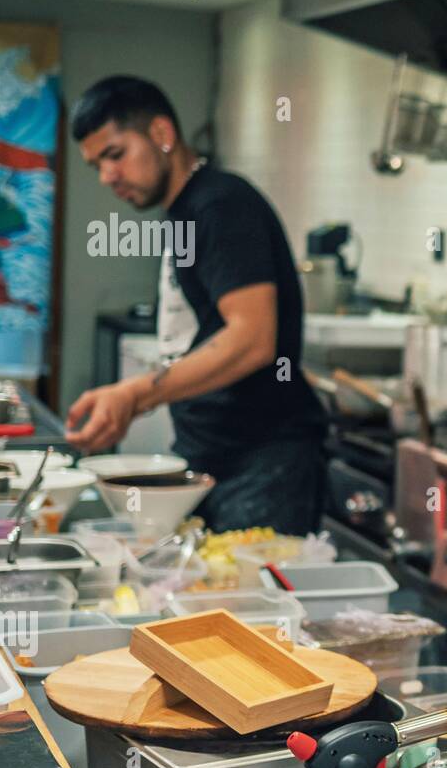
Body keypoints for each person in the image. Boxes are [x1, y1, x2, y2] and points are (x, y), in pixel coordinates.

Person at [66, 76, 328, 534]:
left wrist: (135, 393)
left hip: (262, 463)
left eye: (115, 154)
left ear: (162, 135)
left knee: (250, 603)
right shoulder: (189, 210)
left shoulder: (220, 206)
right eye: (97, 166)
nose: (108, 177)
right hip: (214, 453)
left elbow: (253, 340)